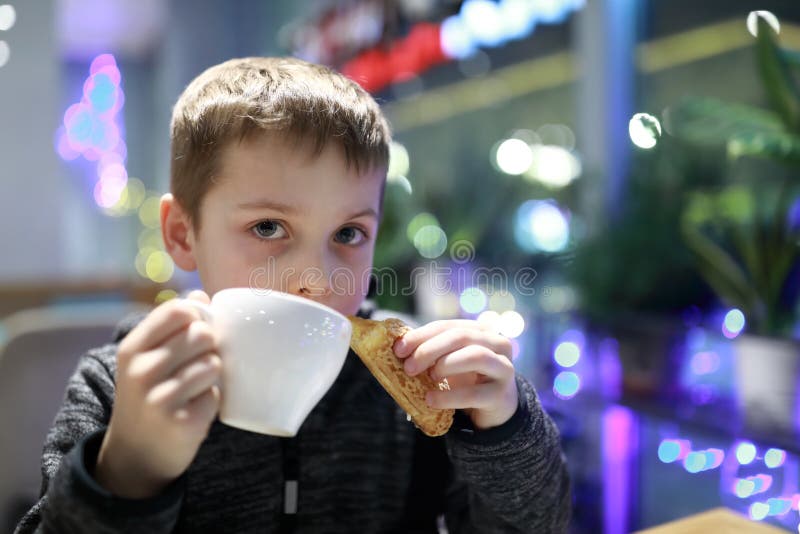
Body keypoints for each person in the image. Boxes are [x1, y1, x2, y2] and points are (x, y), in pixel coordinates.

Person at [15, 57, 570, 533]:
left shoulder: (412, 386)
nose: (316, 277)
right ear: (183, 234)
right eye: (268, 228)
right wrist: (128, 470)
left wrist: (504, 431)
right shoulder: (116, 387)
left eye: (348, 234)